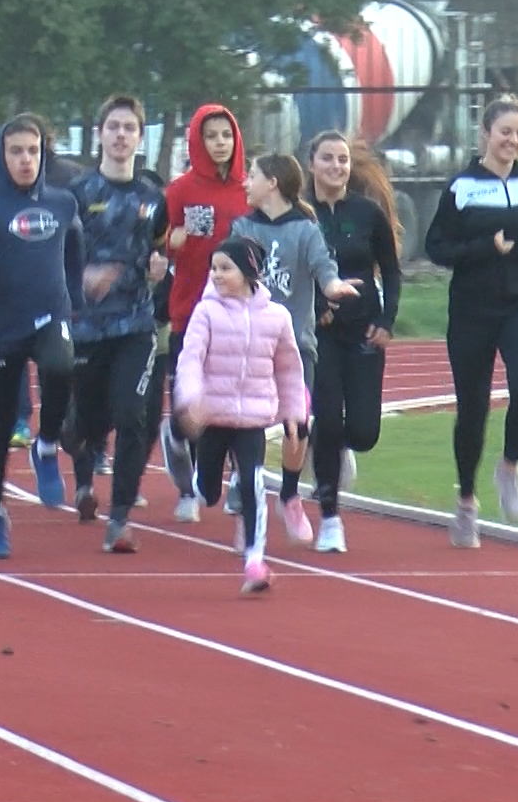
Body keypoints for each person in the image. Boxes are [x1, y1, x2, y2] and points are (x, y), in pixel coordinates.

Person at [424, 96, 518, 549]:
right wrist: (486, 247)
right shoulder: (462, 187)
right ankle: (466, 501)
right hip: (472, 310)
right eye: (505, 132)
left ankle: (509, 466)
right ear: (485, 133)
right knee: (473, 410)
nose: (514, 140)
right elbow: (437, 247)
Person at [0, 113, 84, 560]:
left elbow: (75, 249)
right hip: (2, 326)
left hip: (51, 314)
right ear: (2, 156)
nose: (26, 159)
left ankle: (46, 445)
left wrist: (75, 296)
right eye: (16, 151)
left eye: (33, 151)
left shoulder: (63, 203)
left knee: (60, 368)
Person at [229, 152, 357, 545]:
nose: (245, 182)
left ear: (272, 182)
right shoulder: (243, 226)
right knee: (247, 426)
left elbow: (322, 266)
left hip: (295, 345)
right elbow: (228, 272)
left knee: (297, 423)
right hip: (251, 343)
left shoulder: (306, 230)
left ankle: (288, 493)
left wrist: (333, 286)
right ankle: (247, 501)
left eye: (252, 175)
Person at [173, 236, 306, 594]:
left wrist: (294, 413)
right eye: (213, 268)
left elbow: (289, 369)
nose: (216, 275)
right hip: (213, 416)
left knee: (253, 482)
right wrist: (191, 399)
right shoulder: (206, 312)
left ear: (249, 271)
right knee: (207, 494)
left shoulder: (277, 317)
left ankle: (255, 561)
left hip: (252, 419)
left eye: (225, 268)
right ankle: (181, 455)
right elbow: (191, 359)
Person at [66, 95, 168, 552]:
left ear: (140, 137)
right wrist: (83, 275)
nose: (121, 135)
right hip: (86, 325)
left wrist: (159, 267)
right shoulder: (78, 194)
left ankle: (120, 517)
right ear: (100, 134)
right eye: (114, 127)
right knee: (85, 422)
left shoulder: (153, 198)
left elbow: (160, 249)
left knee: (131, 413)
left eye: (129, 128)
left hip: (135, 323)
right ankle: (82, 471)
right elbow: (58, 253)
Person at [303, 132, 404, 553]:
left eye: (342, 159)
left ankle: (331, 445)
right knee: (328, 418)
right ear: (311, 164)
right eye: (327, 158)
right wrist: (315, 307)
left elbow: (391, 270)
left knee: (363, 433)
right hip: (318, 334)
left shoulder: (367, 213)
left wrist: (386, 320)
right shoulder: (299, 213)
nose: (336, 166)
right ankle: (330, 517)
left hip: (363, 330)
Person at [159, 103, 248, 520]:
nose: (220, 143)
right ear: (196, 140)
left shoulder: (248, 190)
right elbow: (160, 241)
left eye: (226, 135)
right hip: (191, 310)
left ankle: (239, 480)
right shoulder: (180, 191)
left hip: (239, 314)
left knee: (236, 400)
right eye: (211, 136)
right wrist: (171, 241)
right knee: (192, 404)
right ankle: (188, 484)